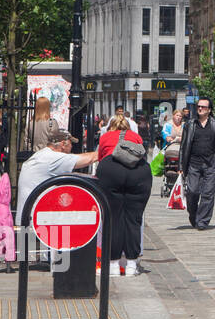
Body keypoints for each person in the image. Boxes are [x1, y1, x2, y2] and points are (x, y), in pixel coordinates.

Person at [16, 131, 99, 264]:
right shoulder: (53, 157)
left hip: (28, 212)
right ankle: (68, 257)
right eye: (71, 143)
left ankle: (54, 255)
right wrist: (108, 150)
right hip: (36, 216)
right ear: (62, 144)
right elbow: (89, 159)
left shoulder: (42, 155)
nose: (72, 147)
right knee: (84, 215)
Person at [96, 112, 153, 276]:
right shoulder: (135, 136)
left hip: (110, 169)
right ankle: (131, 265)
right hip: (138, 172)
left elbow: (101, 158)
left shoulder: (105, 137)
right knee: (133, 219)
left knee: (112, 217)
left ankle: (113, 264)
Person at [179, 96, 215, 230]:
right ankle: (193, 215)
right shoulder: (190, 124)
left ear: (209, 110)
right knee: (192, 192)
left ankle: (203, 221)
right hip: (194, 163)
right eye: (198, 106)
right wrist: (181, 166)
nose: (200, 108)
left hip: (210, 163)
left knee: (208, 193)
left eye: (203, 107)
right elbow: (183, 146)